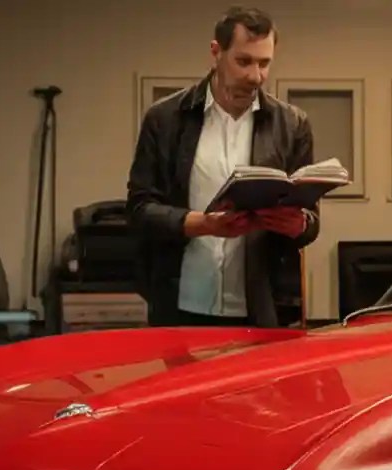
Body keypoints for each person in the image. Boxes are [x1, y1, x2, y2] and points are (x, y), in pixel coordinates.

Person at [127, 6, 319, 328]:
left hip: (260, 308)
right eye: (243, 61)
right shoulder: (164, 119)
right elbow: (139, 209)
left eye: (264, 63)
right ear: (216, 52)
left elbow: (311, 222)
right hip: (180, 304)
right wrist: (203, 224)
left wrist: (297, 225)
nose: (255, 76)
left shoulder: (293, 124)